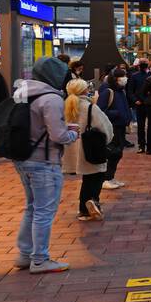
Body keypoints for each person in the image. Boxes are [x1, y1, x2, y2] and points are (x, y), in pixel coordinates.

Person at [13, 56, 79, 273]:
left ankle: (25, 254)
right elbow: (58, 135)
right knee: (44, 210)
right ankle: (40, 259)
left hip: (22, 156)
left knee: (32, 207)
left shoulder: (21, 91)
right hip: (44, 160)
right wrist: (73, 133)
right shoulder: (51, 99)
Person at [62, 79, 113, 220]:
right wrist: (107, 140)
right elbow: (106, 127)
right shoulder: (90, 107)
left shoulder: (64, 106)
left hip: (72, 149)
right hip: (92, 148)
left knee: (87, 178)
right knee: (96, 176)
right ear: (84, 90)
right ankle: (90, 204)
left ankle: (84, 209)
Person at [96, 66, 131, 190]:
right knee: (112, 153)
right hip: (112, 126)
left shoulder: (121, 90)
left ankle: (111, 177)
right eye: (122, 76)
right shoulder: (108, 91)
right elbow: (100, 110)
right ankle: (105, 178)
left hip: (121, 126)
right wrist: (116, 114)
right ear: (115, 79)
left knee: (118, 153)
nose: (125, 78)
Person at [129, 59, 151, 152]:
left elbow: (130, 91)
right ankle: (143, 145)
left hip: (146, 103)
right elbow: (130, 91)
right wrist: (135, 100)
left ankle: (146, 146)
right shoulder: (135, 76)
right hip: (143, 103)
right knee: (142, 126)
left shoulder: (150, 76)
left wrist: (135, 100)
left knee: (147, 126)